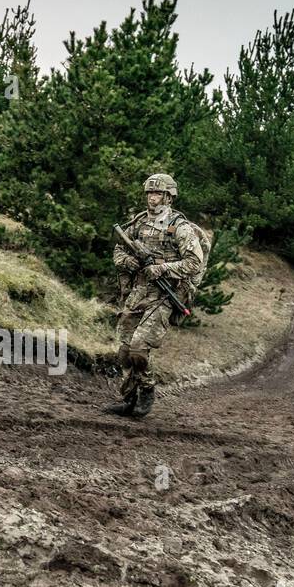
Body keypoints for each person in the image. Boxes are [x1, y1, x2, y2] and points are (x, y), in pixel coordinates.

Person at [104, 173, 208, 418]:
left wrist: (161, 268)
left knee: (139, 349)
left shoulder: (179, 227)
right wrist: (128, 262)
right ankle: (128, 399)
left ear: (169, 196)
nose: (153, 197)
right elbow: (119, 249)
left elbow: (194, 263)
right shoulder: (138, 223)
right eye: (150, 193)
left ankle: (148, 389)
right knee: (124, 351)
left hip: (163, 294)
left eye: (158, 193)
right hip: (138, 291)